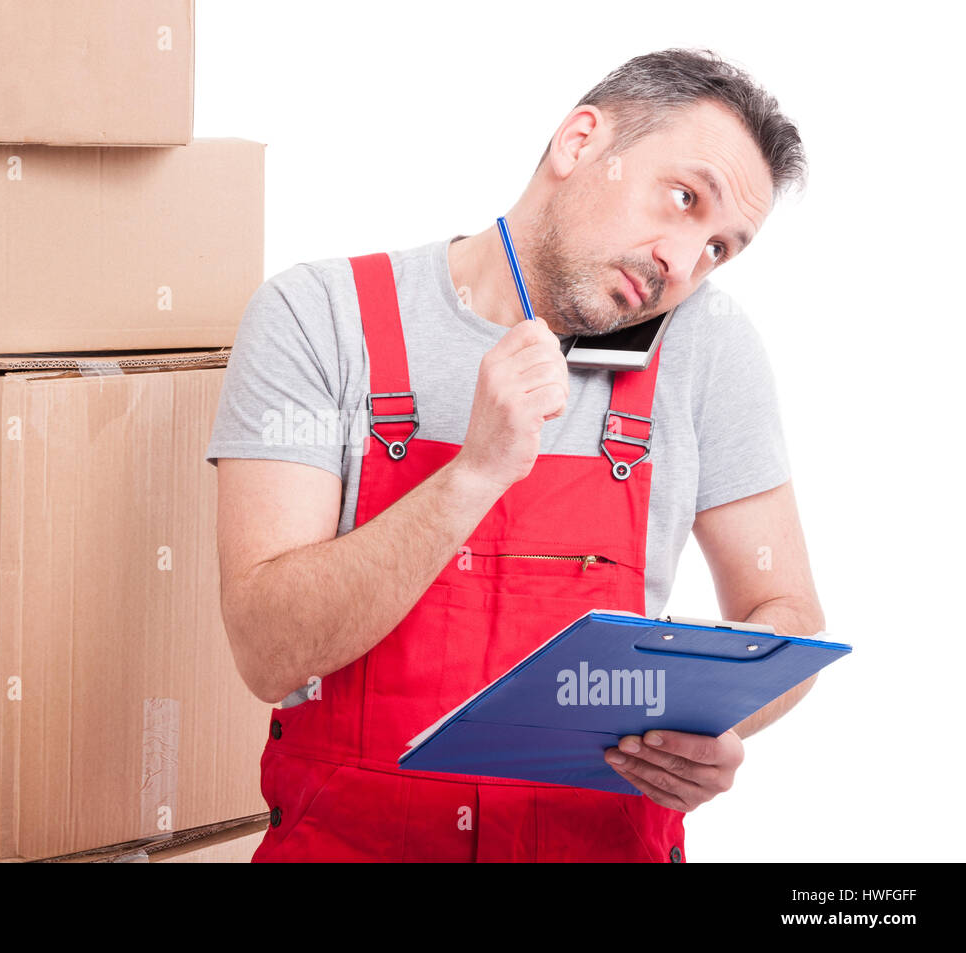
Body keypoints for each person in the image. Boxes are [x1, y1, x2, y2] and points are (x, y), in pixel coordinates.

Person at [206, 48, 825, 862]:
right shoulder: (320, 316)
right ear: (579, 144)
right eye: (682, 198)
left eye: (719, 247)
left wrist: (696, 727)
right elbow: (269, 648)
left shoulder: (707, 347)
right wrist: (475, 472)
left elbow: (787, 616)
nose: (683, 261)